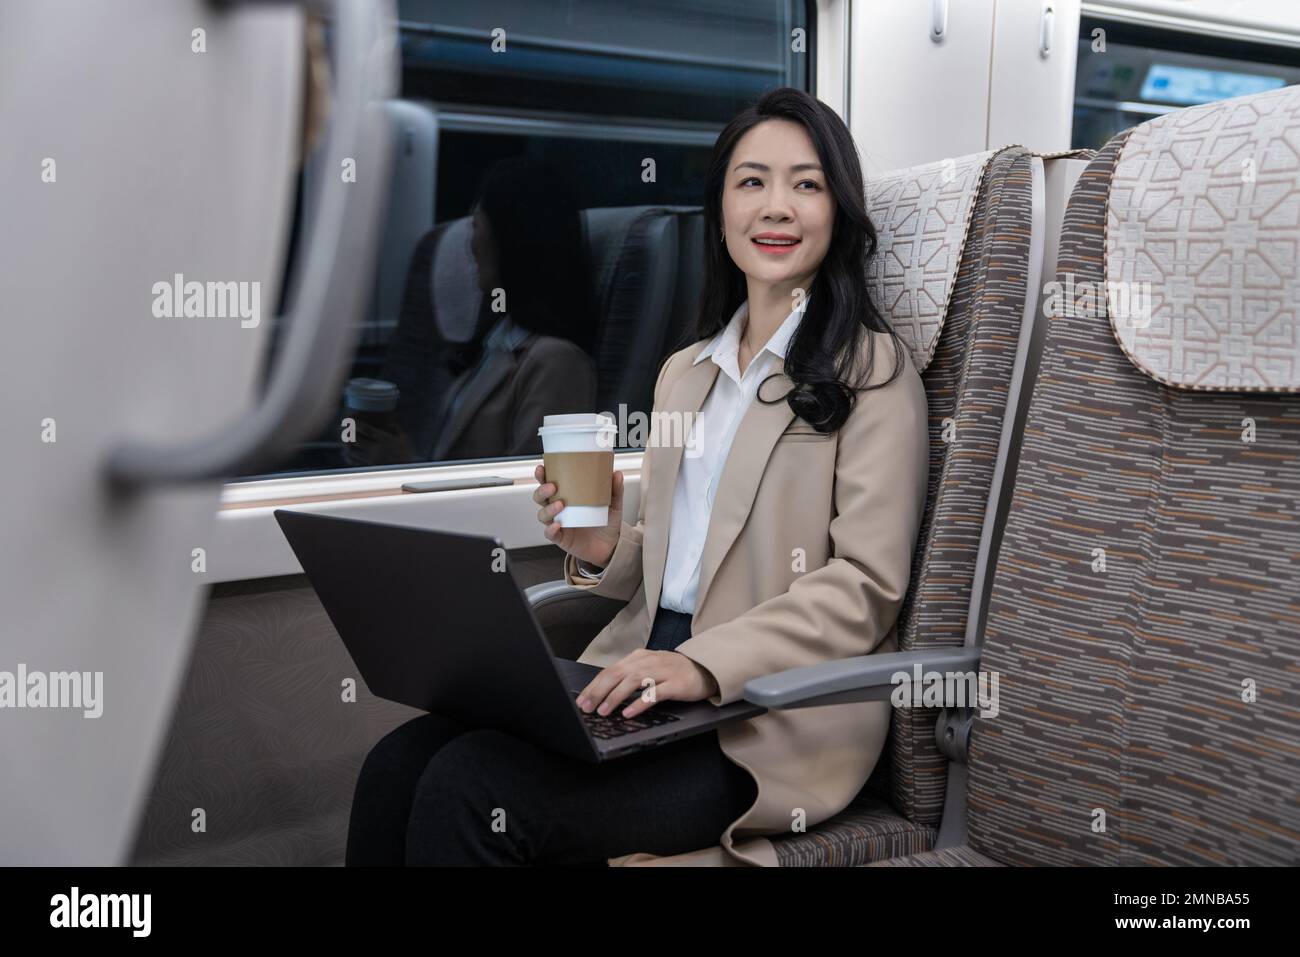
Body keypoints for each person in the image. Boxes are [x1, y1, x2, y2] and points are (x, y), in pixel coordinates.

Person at [345, 87, 929, 866]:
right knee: (396, 763)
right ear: (720, 211)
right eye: (751, 181)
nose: (776, 206)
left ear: (838, 210)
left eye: (807, 183)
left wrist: (700, 663)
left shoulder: (873, 373)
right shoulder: (686, 374)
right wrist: (604, 541)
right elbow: (669, 547)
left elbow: (865, 584)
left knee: (474, 788)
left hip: (763, 716)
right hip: (640, 672)